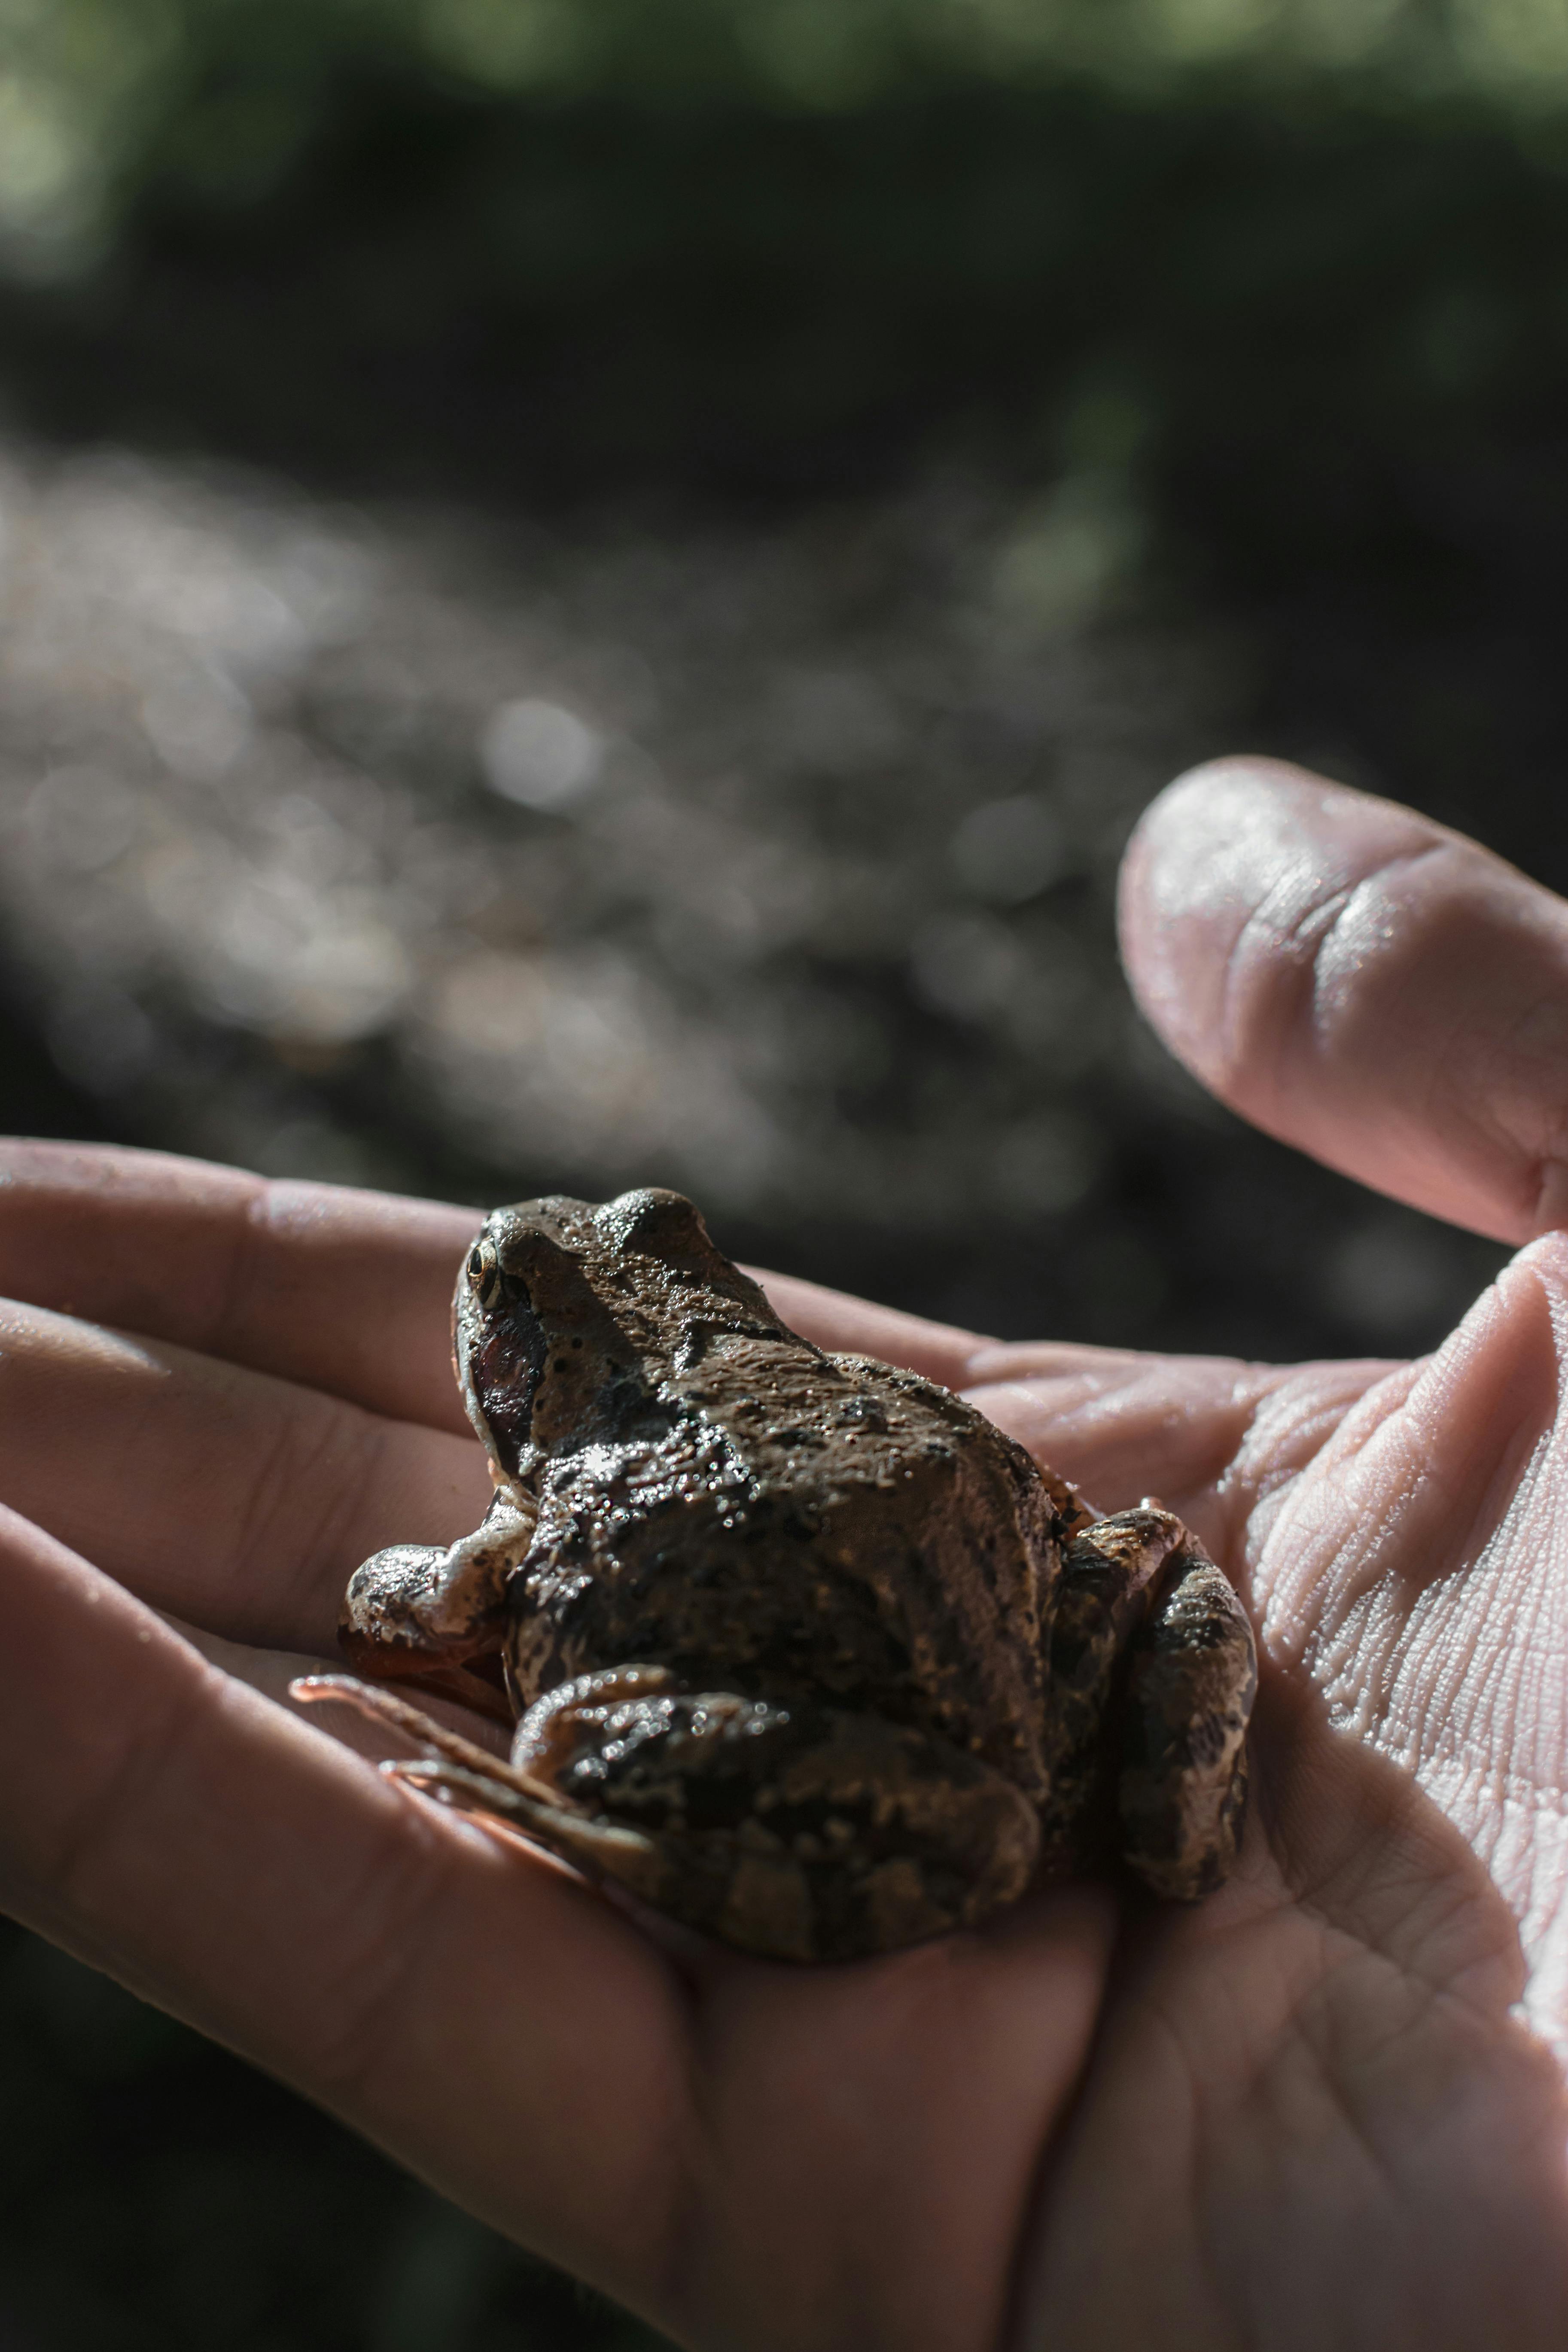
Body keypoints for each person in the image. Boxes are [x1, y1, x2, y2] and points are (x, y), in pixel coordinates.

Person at [3, 756, 1568, 2351]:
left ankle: (731, 1836)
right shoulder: (841, 1390)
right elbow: (1093, 1551)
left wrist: (482, 1558)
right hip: (1062, 1726)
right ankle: (1153, 1829)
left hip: (927, 1777)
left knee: (563, 1734)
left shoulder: (548, 1504)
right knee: (1140, 1568)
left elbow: (391, 1614)